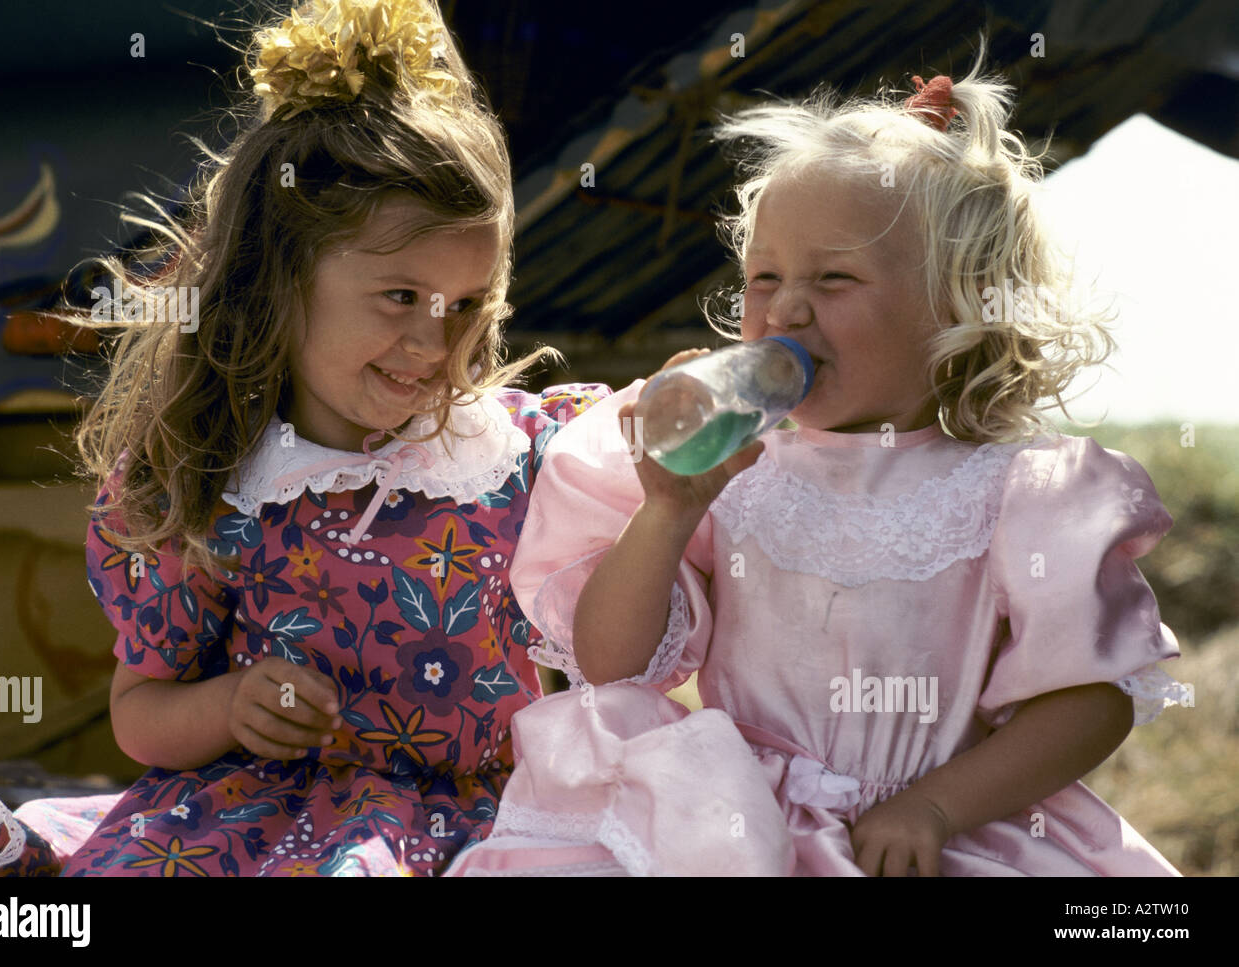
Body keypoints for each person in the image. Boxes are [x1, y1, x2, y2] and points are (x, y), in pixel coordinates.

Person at [446, 58, 1188, 876]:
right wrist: (665, 511)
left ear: (958, 305)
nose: (787, 307)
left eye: (834, 278)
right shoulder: (735, 470)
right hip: (744, 831)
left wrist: (937, 806)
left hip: (943, 830)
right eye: (764, 277)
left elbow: (1089, 700)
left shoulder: (1021, 491)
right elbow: (610, 666)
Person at [0, 0, 606, 877]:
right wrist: (229, 706)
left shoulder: (518, 457)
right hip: (256, 830)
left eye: (467, 304)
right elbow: (140, 711)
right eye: (400, 297)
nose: (432, 342)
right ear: (281, 280)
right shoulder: (214, 481)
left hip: (475, 829)